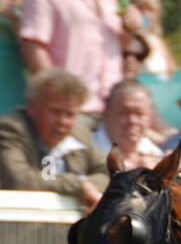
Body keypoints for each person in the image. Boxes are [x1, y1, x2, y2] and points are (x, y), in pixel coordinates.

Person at [0, 67, 108, 210]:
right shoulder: (11, 130)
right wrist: (78, 185)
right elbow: (19, 180)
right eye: (55, 112)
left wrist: (83, 186)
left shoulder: (80, 133)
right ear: (33, 107)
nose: (62, 121)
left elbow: (109, 175)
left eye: (70, 114)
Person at [18, 0, 143, 116]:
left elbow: (116, 49)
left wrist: (131, 30)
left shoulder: (112, 0)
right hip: (72, 111)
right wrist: (59, 98)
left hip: (113, 112)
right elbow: (32, 45)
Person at [93, 80, 165, 170]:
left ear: (150, 115)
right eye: (124, 113)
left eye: (140, 113)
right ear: (107, 112)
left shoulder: (156, 153)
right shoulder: (88, 153)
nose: (132, 121)